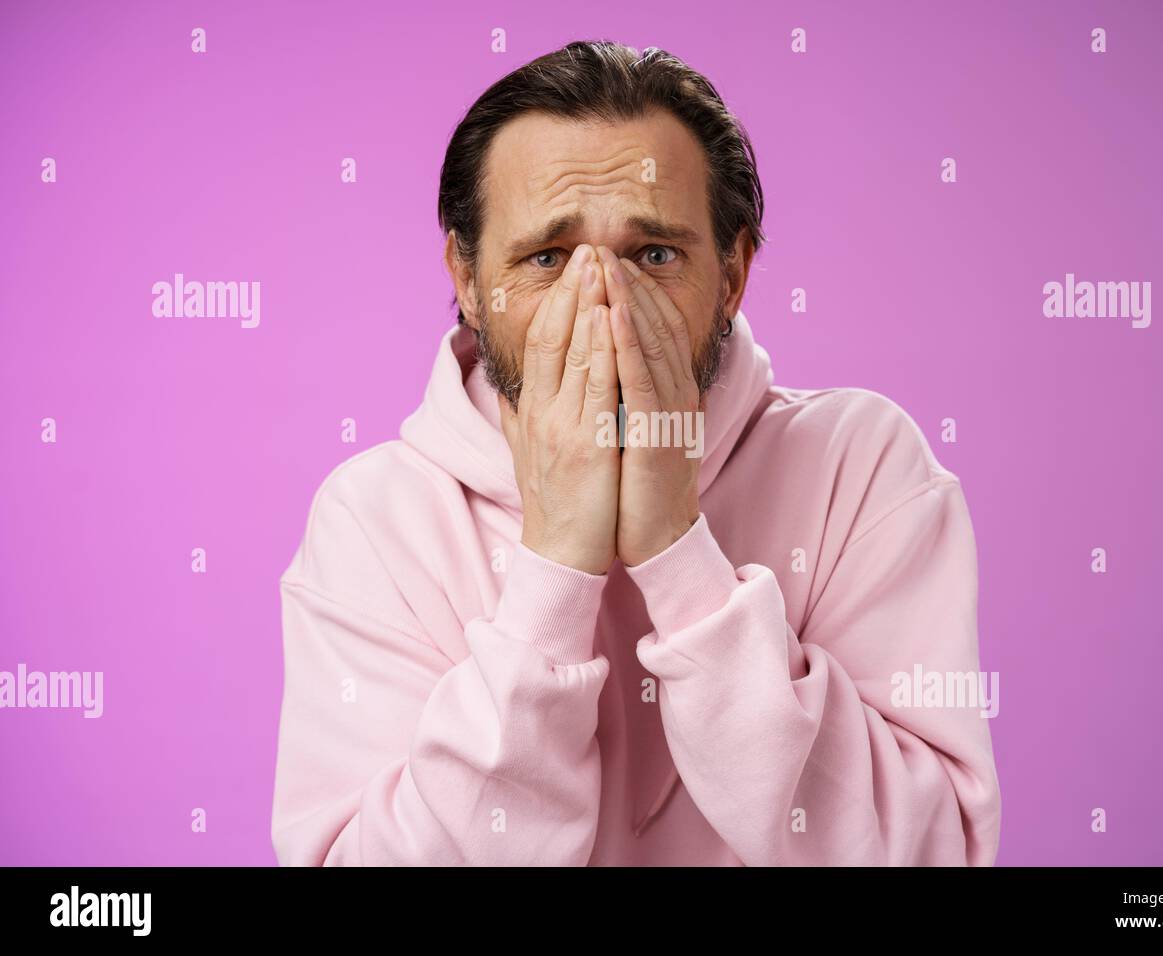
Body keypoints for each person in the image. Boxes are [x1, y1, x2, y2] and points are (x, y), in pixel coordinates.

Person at [270, 40, 1001, 866]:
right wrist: (554, 566)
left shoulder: (861, 466)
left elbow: (928, 854)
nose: (604, 305)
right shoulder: (372, 519)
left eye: (654, 256)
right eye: (548, 259)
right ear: (469, 279)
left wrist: (676, 550)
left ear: (732, 275)